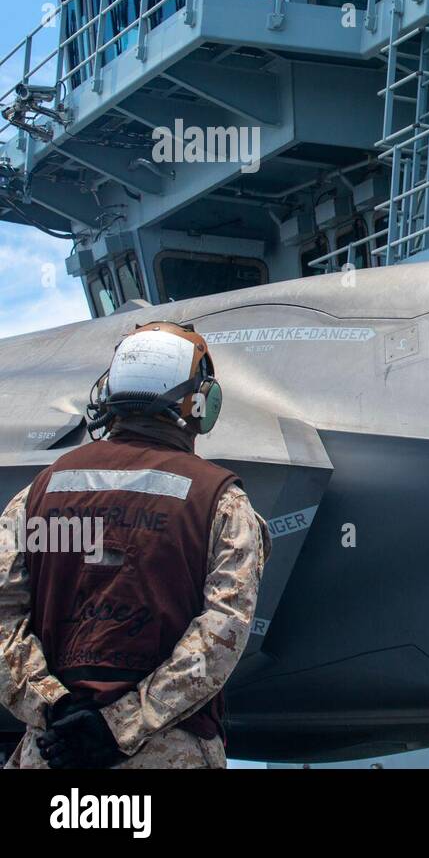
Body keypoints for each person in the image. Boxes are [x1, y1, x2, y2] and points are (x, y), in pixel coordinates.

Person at [0, 321, 270, 769]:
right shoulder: (220, 502)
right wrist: (122, 724)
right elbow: (223, 630)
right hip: (168, 753)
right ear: (201, 404)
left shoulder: (36, 495)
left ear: (108, 397)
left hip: (52, 752)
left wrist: (53, 706)